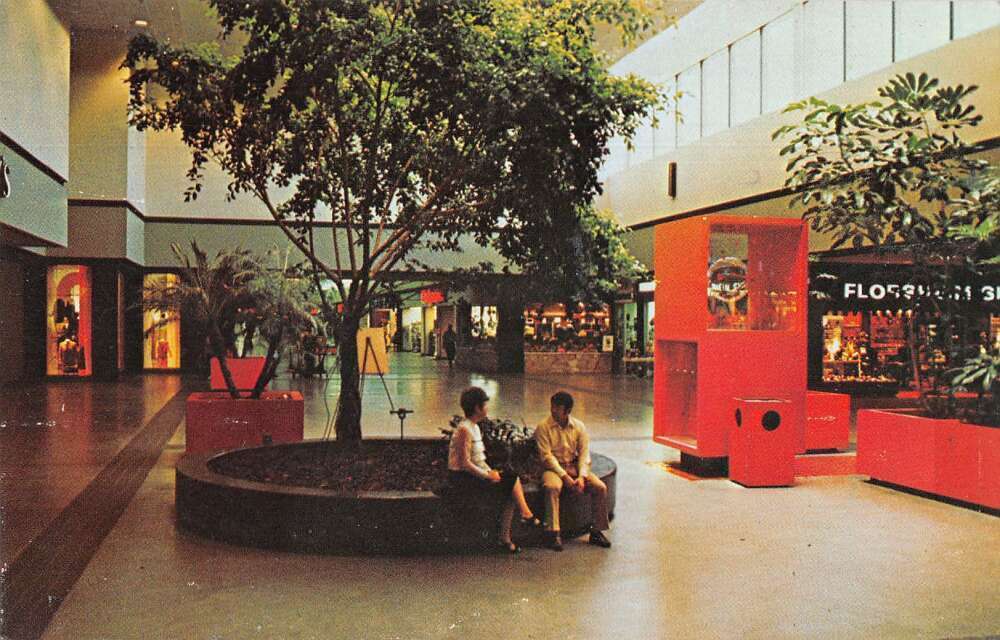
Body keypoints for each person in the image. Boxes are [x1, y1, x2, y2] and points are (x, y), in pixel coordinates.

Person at [448, 386, 541, 553]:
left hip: (474, 474)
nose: (487, 408)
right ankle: (523, 518)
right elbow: (464, 463)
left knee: (511, 485)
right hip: (462, 477)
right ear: (477, 408)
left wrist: (492, 472)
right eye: (485, 405)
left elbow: (478, 460)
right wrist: (487, 476)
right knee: (512, 481)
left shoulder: (474, 427)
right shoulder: (464, 430)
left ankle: (508, 535)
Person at [535, 391, 611, 551]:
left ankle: (597, 531)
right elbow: (546, 457)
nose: (553, 410)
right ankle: (553, 533)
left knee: (600, 487)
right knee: (552, 487)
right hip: (553, 469)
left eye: (557, 408)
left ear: (567, 411)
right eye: (552, 406)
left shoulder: (579, 427)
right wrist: (565, 477)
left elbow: (584, 454)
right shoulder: (543, 427)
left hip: (573, 467)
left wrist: (582, 477)